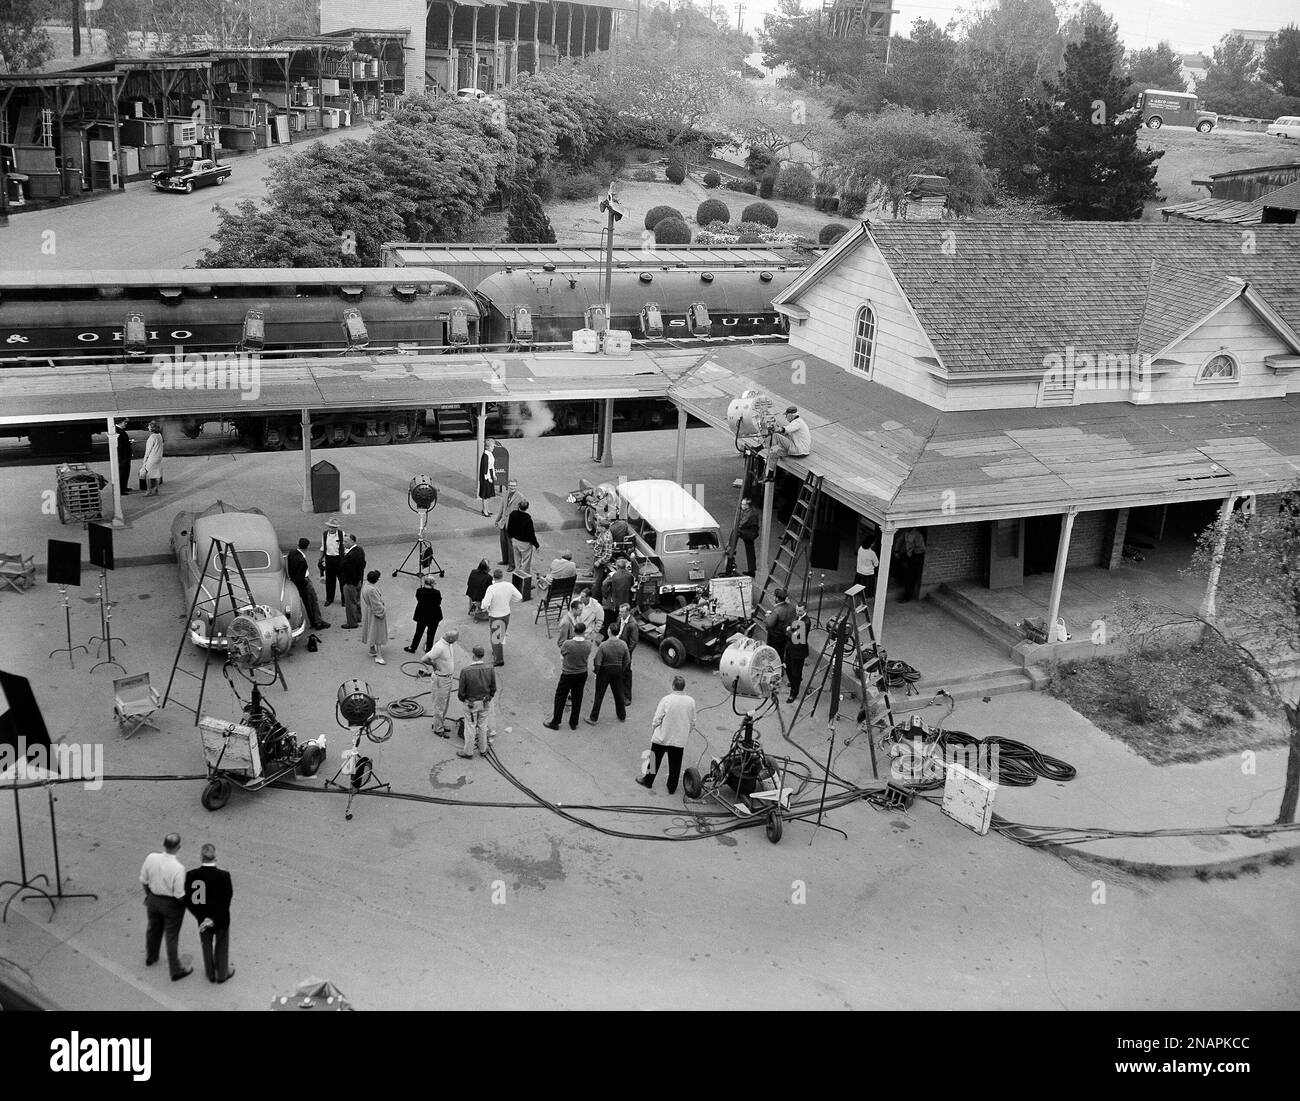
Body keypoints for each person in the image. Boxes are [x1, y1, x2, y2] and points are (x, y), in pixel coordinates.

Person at [139, 832, 191, 981]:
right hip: (171, 905)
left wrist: (149, 895)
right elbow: (179, 894)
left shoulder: (151, 858)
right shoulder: (178, 868)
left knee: (152, 929)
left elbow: (143, 880)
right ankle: (175, 970)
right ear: (178, 847)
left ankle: (151, 956)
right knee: (171, 936)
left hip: (153, 899)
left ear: (164, 844)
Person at [637, 676, 697, 795]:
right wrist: (686, 732)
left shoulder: (667, 699)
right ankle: (672, 787)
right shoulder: (691, 701)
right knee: (675, 764)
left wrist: (654, 728)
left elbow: (658, 717)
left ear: (673, 686)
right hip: (678, 739)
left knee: (654, 759)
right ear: (684, 687)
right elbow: (693, 721)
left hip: (663, 736)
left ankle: (648, 780)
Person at [184, 843, 234, 984]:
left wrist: (202, 918)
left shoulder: (191, 875)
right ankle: (222, 974)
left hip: (202, 918)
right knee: (221, 945)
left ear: (201, 857)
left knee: (206, 945)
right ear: (215, 857)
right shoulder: (224, 876)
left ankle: (210, 973)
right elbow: (226, 901)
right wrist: (213, 919)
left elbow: (189, 900)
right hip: (220, 919)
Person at [544, 622, 591, 731]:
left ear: (574, 631)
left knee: (560, 696)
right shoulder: (588, 644)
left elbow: (562, 656)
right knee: (577, 697)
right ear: (584, 632)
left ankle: (555, 721)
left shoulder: (567, 644)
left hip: (568, 673)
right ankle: (573, 722)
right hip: (582, 673)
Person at [456, 645, 497, 758]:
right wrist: (488, 697)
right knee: (483, 726)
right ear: (482, 655)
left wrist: (464, 699)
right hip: (485, 702)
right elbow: (493, 688)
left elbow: (461, 691)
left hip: (471, 703)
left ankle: (468, 752)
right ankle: (483, 749)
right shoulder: (490, 669)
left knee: (470, 727)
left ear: (473, 655)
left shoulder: (466, 671)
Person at [586, 630, 630, 725]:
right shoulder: (623, 644)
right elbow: (627, 659)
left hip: (604, 671)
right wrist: (621, 669)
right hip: (617, 670)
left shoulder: (603, 645)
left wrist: (597, 670)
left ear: (609, 632)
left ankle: (593, 718)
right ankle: (622, 716)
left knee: (599, 695)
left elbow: (597, 661)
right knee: (619, 694)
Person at [422, 627, 459, 738]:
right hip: (441, 679)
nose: (456, 641)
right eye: (456, 639)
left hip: (447, 678)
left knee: (445, 703)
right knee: (440, 705)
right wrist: (433, 665)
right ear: (451, 638)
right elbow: (424, 659)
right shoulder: (439, 647)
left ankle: (439, 723)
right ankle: (438, 729)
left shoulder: (448, 644)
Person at [481, 567, 522, 666]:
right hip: (506, 614)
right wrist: (509, 600)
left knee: (495, 639)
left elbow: (485, 603)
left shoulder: (491, 588)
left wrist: (486, 608)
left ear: (493, 578)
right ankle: (496, 651)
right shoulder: (509, 585)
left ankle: (499, 659)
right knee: (500, 635)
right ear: (502, 576)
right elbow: (519, 597)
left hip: (495, 616)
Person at [288, 537, 329, 630]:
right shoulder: (302, 561)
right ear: (307, 547)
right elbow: (300, 577)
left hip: (295, 581)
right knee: (313, 601)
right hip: (304, 582)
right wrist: (306, 584)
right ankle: (318, 622)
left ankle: (314, 621)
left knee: (308, 603)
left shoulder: (292, 553)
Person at [764, 405, 811, 479]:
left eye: (786, 416)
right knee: (773, 453)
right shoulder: (798, 421)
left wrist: (777, 429)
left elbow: (786, 429)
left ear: (790, 416)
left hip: (799, 450)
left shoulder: (797, 422)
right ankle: (770, 476)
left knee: (775, 436)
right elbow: (787, 433)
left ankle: (761, 447)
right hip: (800, 449)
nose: (785, 418)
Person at [404, 573, 443, 653]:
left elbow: (418, 598)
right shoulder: (436, 593)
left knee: (418, 632)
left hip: (421, 615)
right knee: (431, 635)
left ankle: (413, 647)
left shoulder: (419, 591)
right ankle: (428, 651)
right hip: (433, 616)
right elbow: (438, 602)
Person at [611, 603, 639, 706]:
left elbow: (633, 642)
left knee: (626, 673)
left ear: (628, 612)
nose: (619, 613)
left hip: (625, 653)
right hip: (617, 647)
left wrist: (626, 653)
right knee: (619, 671)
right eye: (619, 611)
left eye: (622, 612)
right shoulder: (620, 618)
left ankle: (627, 696)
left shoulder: (633, 624)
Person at [784, 601, 812, 703]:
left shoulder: (806, 622)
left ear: (805, 610)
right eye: (797, 610)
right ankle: (794, 682)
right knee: (788, 667)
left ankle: (794, 693)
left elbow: (796, 636)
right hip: (791, 647)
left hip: (799, 651)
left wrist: (789, 631)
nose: (798, 612)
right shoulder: (796, 617)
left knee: (796, 672)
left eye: (800, 611)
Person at [506, 498, 540, 579]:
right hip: (525, 544)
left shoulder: (513, 514)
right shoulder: (528, 519)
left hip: (515, 541)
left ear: (518, 506)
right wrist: (536, 545)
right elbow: (531, 534)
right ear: (527, 508)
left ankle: (517, 577)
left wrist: (510, 537)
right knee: (526, 563)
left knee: (517, 561)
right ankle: (524, 580)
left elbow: (509, 528)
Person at [360, 569, 388, 665]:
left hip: (369, 611)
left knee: (370, 630)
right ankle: (379, 656)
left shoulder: (366, 585)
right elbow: (377, 605)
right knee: (378, 634)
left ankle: (372, 649)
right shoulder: (372, 590)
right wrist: (383, 610)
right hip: (375, 614)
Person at [495, 479, 523, 567]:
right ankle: (505, 560)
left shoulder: (521, 497)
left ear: (516, 486)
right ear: (508, 486)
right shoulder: (505, 494)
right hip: (503, 522)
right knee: (503, 542)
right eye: (511, 485)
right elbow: (502, 508)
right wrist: (497, 519)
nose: (512, 487)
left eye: (514, 486)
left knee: (511, 545)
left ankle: (512, 564)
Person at [894, 527, 927, 603]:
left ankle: (907, 597)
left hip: (916, 557)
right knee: (896, 563)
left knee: (911, 578)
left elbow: (922, 548)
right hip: (909, 555)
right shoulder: (906, 532)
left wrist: (912, 552)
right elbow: (899, 541)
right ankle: (899, 579)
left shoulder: (918, 535)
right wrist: (897, 551)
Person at [340, 534, 366, 629]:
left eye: (346, 542)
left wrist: (348, 582)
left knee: (350, 603)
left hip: (351, 583)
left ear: (352, 541)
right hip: (359, 581)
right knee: (357, 600)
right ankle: (358, 617)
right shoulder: (360, 550)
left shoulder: (350, 555)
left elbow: (348, 571)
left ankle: (352, 623)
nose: (344, 543)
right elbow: (363, 564)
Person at [319, 518, 346, 606]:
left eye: (332, 527)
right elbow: (323, 547)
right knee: (330, 581)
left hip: (339, 559)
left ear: (336, 528)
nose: (330, 529)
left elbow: (345, 547)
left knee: (342, 580)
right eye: (329, 527)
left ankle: (344, 600)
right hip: (329, 559)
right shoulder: (325, 534)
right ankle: (329, 599)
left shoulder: (342, 534)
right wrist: (320, 559)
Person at [764, 587, 796, 661]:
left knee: (772, 654)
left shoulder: (777, 610)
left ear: (777, 598)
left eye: (775, 597)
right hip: (785, 635)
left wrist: (768, 617)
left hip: (775, 637)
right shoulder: (792, 607)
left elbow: (769, 624)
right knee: (781, 653)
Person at [735, 496, 760, 577]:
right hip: (750, 532)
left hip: (749, 533)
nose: (741, 506)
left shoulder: (749, 514)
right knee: (750, 551)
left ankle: (730, 549)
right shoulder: (750, 511)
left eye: (743, 504)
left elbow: (742, 524)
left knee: (736, 532)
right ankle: (752, 570)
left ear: (747, 505)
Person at [141, 421, 165, 497]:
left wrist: (144, 461)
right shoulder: (159, 435)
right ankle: (155, 489)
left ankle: (148, 491)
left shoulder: (152, 437)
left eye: (149, 426)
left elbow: (148, 450)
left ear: (152, 428)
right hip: (158, 457)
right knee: (157, 474)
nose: (148, 427)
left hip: (152, 458)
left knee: (148, 475)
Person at [855, 533, 879, 599]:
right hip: (868, 574)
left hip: (859, 572)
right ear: (871, 544)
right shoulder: (872, 553)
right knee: (866, 591)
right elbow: (876, 564)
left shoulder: (860, 548)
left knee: (858, 589)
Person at [478, 439, 498, 517]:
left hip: (489, 474)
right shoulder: (485, 456)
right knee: (485, 495)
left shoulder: (490, 454)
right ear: (487, 447)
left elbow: (492, 465)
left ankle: (487, 509)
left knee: (488, 494)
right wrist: (488, 478)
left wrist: (494, 474)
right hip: (485, 477)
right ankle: (484, 510)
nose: (493, 448)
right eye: (492, 446)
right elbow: (484, 469)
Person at [115, 420, 134, 495]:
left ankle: (124, 486)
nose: (126, 424)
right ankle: (121, 489)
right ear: (120, 422)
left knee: (125, 471)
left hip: (124, 455)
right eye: (124, 422)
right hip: (123, 456)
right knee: (122, 472)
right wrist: (127, 444)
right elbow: (120, 445)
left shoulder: (120, 431)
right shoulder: (118, 431)